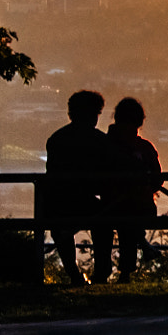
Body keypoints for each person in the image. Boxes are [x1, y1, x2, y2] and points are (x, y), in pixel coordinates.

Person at [43, 90, 114, 286]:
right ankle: (101, 272)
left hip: (60, 201)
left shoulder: (57, 139)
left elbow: (53, 175)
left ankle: (74, 273)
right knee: (104, 223)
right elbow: (107, 177)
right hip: (86, 201)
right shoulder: (100, 141)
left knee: (60, 228)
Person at [100, 96, 163, 284]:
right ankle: (129, 267)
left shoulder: (106, 145)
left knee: (119, 224)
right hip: (140, 205)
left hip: (110, 205)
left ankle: (105, 271)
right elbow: (158, 177)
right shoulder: (144, 147)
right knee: (130, 226)